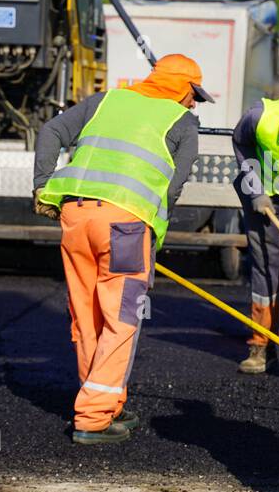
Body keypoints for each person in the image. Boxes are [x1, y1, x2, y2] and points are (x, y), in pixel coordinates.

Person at [32, 55, 209, 444]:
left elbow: (50, 131)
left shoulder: (105, 101)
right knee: (121, 317)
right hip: (126, 226)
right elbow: (172, 188)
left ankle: (106, 402)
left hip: (75, 216)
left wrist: (43, 185)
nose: (194, 103)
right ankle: (93, 418)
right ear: (182, 89)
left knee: (87, 314)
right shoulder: (183, 123)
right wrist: (151, 234)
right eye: (194, 95)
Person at [231, 94, 279, 373]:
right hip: (265, 194)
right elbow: (241, 143)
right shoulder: (258, 118)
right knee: (263, 264)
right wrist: (255, 189)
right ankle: (262, 345)